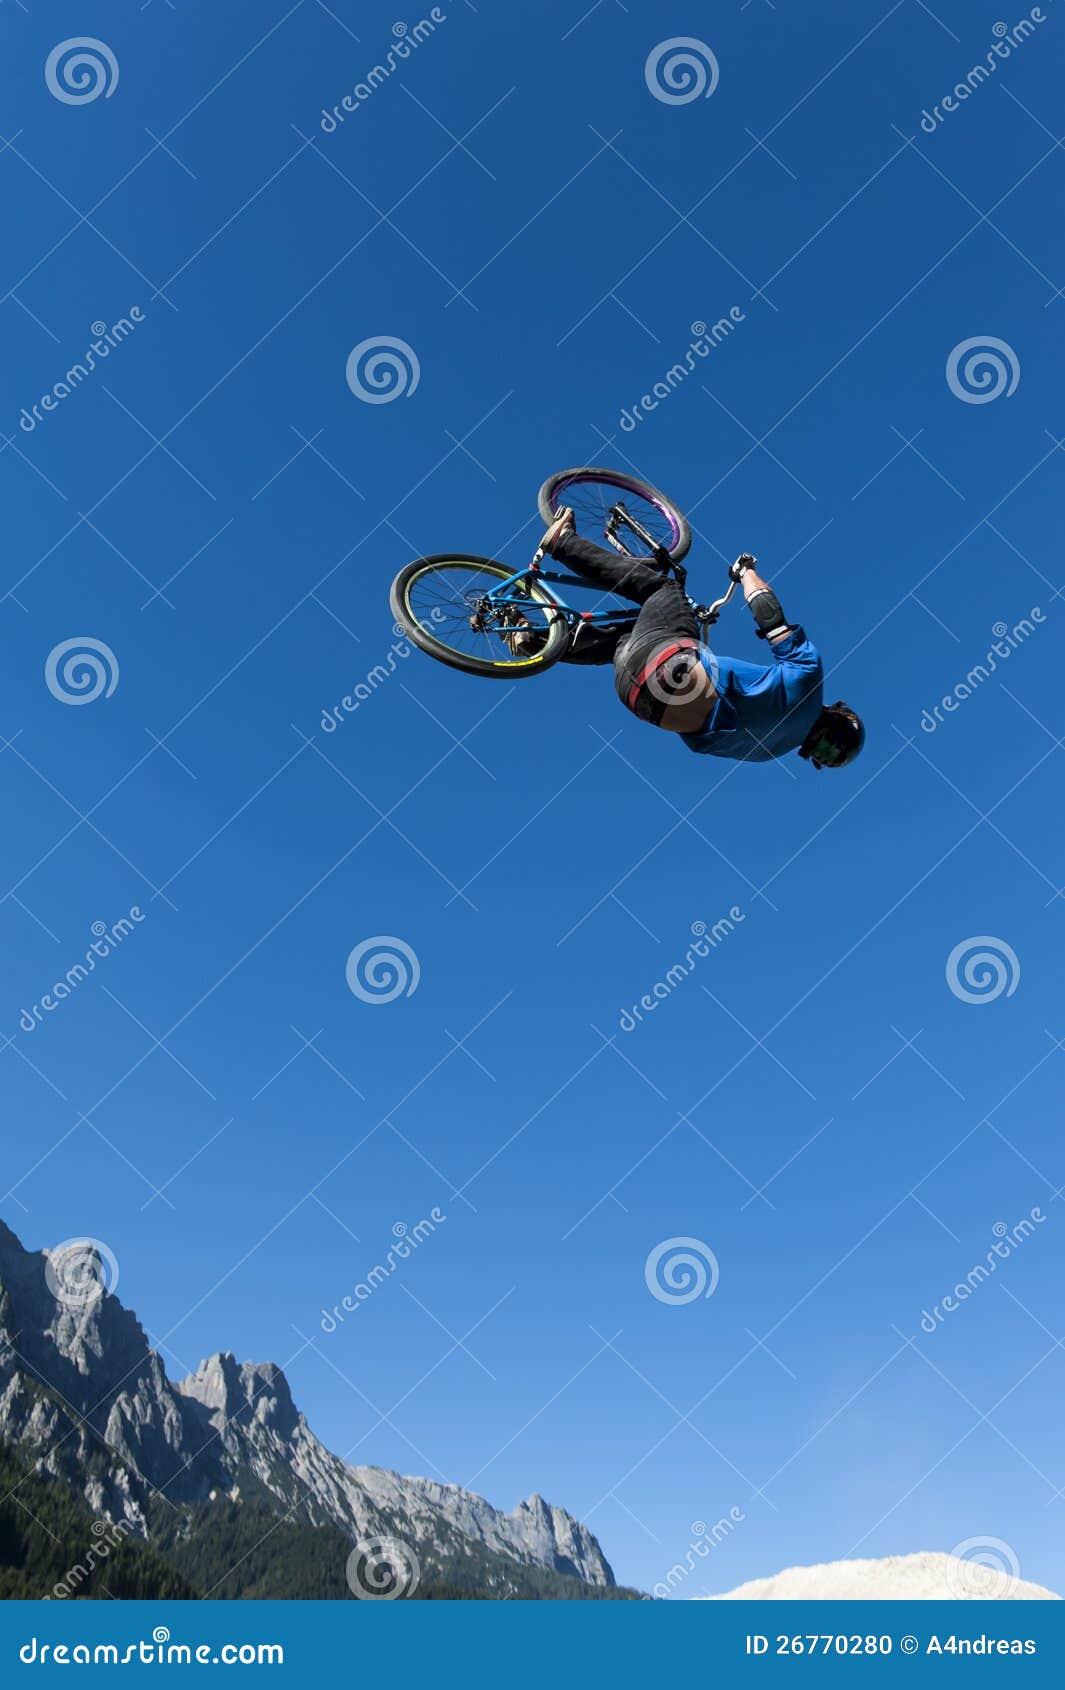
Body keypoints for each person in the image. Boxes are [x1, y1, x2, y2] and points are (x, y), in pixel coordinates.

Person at [515, 508, 864, 769]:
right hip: (637, 697)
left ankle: (564, 543)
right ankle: (536, 641)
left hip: (671, 666)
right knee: (623, 642)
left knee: (663, 588)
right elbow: (697, 741)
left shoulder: (807, 676)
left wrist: (746, 572)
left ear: (837, 715)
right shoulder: (763, 753)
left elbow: (770, 616)